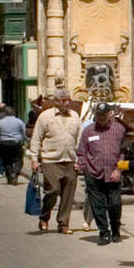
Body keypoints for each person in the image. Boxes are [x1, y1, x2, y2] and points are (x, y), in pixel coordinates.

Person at [76, 102, 129, 245]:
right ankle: (104, 232)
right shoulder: (88, 131)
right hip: (94, 174)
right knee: (98, 206)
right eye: (98, 115)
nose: (101, 118)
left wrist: (119, 170)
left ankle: (115, 230)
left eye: (103, 115)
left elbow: (126, 153)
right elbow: (81, 152)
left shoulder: (119, 129)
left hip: (114, 174)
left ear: (109, 114)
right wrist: (84, 167)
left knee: (115, 204)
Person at [30, 87, 80, 234]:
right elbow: (36, 139)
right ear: (56, 102)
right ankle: (44, 216)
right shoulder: (45, 117)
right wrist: (34, 159)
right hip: (50, 160)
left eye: (68, 100)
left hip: (70, 159)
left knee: (68, 194)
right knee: (53, 189)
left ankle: (63, 223)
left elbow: (79, 139)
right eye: (63, 100)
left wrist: (79, 159)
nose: (67, 103)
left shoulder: (75, 116)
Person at [0, 104, 27, 185]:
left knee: (7, 161)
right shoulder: (19, 121)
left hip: (4, 144)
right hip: (16, 143)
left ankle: (9, 177)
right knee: (19, 160)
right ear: (13, 113)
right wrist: (26, 141)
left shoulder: (0, 122)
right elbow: (24, 133)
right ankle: (15, 173)